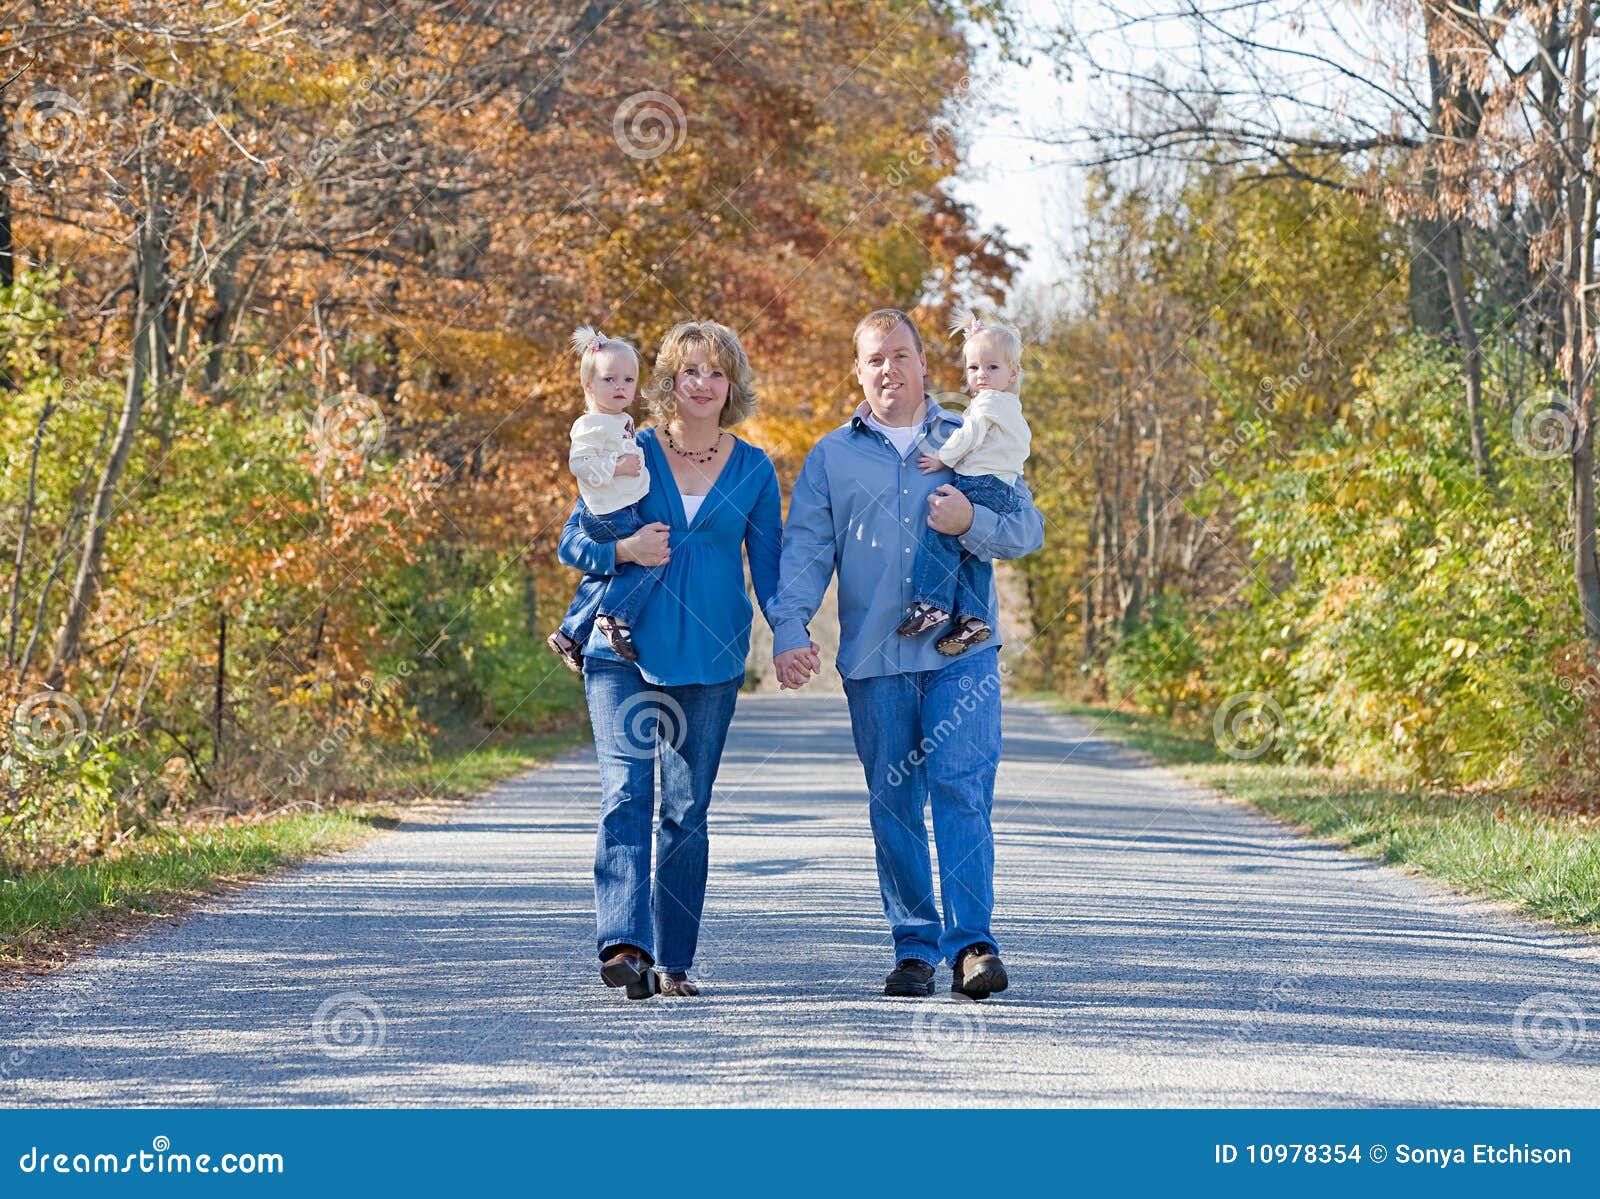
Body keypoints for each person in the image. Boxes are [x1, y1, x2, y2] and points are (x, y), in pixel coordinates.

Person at [769, 308, 1044, 1000]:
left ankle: (973, 943)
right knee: (893, 803)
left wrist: (971, 521)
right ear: (858, 372)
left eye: (900, 354)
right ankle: (915, 945)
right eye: (874, 359)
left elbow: (1025, 529)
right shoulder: (831, 456)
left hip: (962, 654)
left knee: (961, 790)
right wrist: (789, 626)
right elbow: (806, 549)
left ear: (924, 364)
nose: (888, 368)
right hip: (873, 659)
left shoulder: (974, 432)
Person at [558, 320, 783, 999]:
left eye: (716, 373)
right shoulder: (630, 449)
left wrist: (792, 636)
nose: (703, 384)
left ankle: (674, 959)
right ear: (669, 381)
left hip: (711, 659)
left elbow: (771, 571)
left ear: (731, 385)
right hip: (620, 647)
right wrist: (622, 553)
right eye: (690, 371)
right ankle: (625, 943)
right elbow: (576, 540)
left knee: (686, 810)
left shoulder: (754, 468)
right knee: (626, 793)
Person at [898, 312, 1032, 656]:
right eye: (974, 369)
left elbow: (968, 437)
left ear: (1012, 372)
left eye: (992, 368)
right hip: (1002, 485)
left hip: (982, 481)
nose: (981, 376)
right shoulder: (1009, 406)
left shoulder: (986, 403)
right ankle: (974, 619)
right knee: (974, 551)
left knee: (942, 532)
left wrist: (943, 457)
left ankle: (933, 604)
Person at [547, 326, 656, 670]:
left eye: (628, 380)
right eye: (610, 380)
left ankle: (568, 634)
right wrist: (617, 466)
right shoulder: (590, 424)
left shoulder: (621, 419)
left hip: (620, 506)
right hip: (609, 512)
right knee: (646, 561)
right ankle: (613, 616)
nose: (621, 387)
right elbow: (578, 463)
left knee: (604, 575)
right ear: (588, 385)